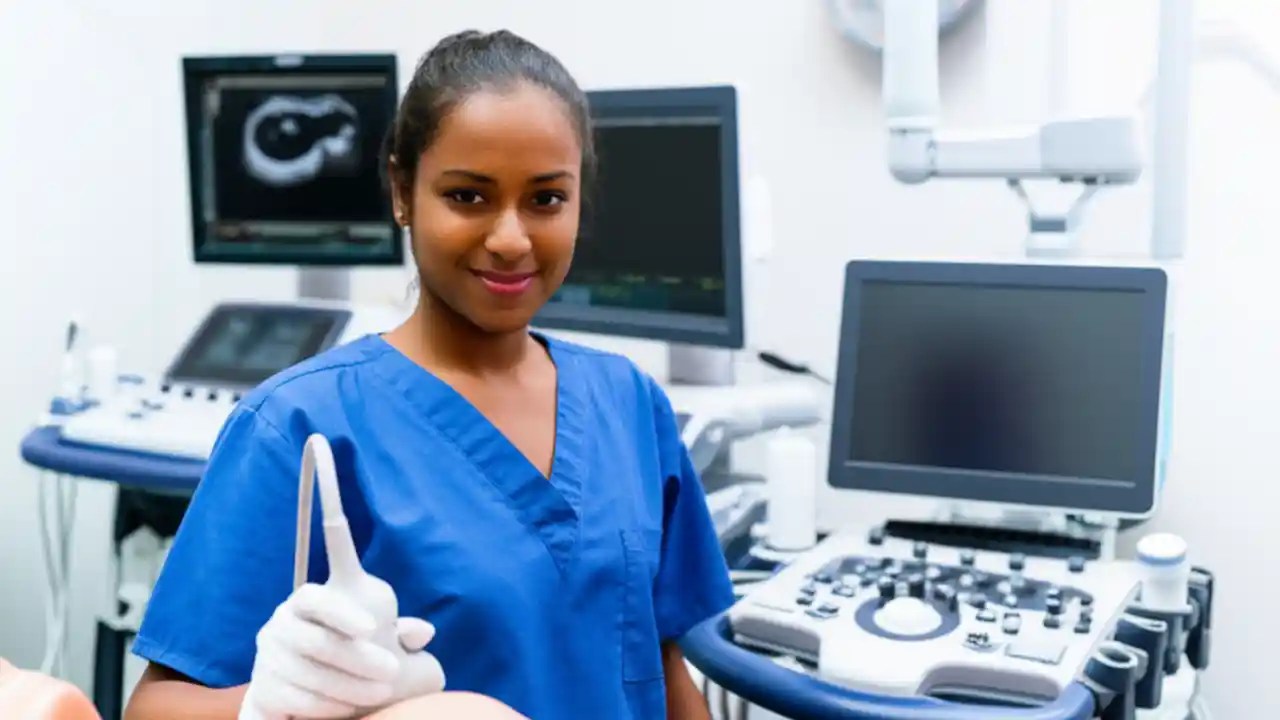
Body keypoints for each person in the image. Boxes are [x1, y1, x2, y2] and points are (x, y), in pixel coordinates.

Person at [123, 29, 734, 720]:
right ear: (402, 190)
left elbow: (664, 672)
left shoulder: (629, 405)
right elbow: (157, 706)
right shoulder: (301, 427)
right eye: (469, 197)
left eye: (546, 199)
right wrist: (265, 707)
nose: (510, 238)